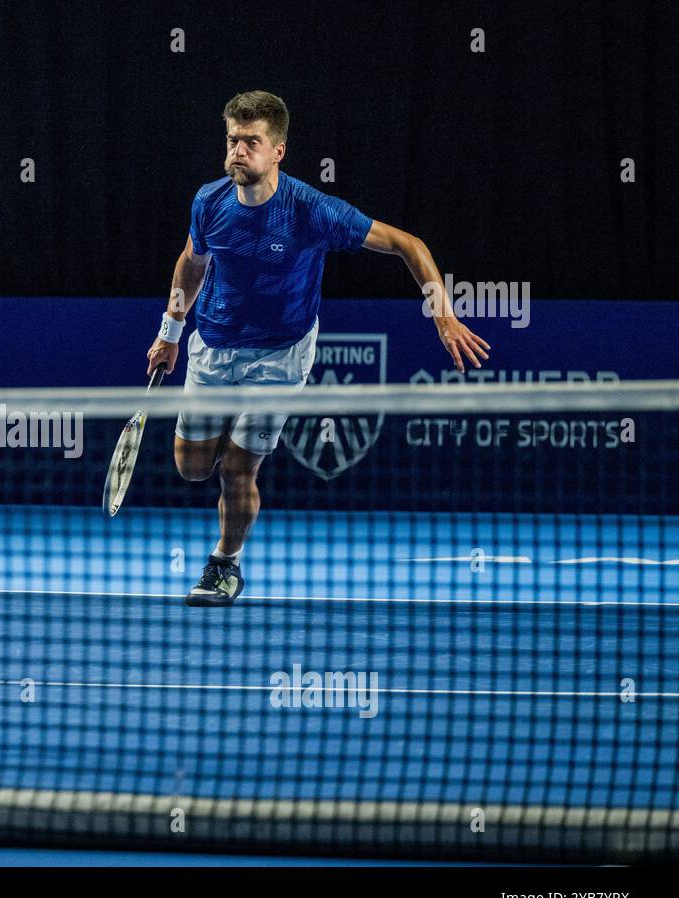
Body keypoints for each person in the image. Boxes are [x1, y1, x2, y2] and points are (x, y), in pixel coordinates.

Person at [148, 91, 491, 606]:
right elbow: (192, 261)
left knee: (240, 469)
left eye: (251, 142)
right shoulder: (209, 202)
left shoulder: (311, 210)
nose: (238, 151)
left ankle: (224, 565)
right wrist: (171, 331)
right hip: (213, 346)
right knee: (192, 467)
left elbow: (407, 244)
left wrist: (443, 315)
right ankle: (227, 441)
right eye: (232, 140)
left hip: (280, 356)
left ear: (278, 151)